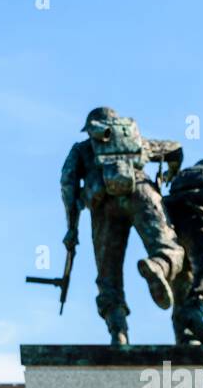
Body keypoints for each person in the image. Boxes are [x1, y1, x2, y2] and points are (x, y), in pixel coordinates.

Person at [60, 107, 185, 344]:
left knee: (108, 277)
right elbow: (176, 149)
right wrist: (170, 175)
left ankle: (119, 332)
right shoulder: (137, 142)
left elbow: (67, 184)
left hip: (102, 203)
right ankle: (159, 266)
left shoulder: (82, 149)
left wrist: (72, 227)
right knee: (169, 248)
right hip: (141, 192)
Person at [165, 158, 203, 345]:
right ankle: (196, 309)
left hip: (175, 229)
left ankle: (184, 336)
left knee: (182, 283)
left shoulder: (182, 186)